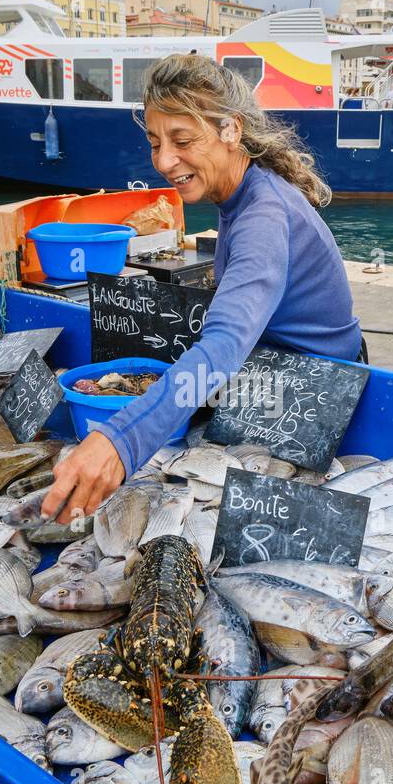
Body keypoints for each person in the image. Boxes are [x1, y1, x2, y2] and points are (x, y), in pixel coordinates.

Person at [40, 54, 363, 523]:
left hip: (315, 391)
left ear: (232, 131)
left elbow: (226, 345)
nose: (165, 161)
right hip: (271, 373)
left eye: (183, 140)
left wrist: (120, 440)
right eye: (155, 143)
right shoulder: (241, 192)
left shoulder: (263, 217)